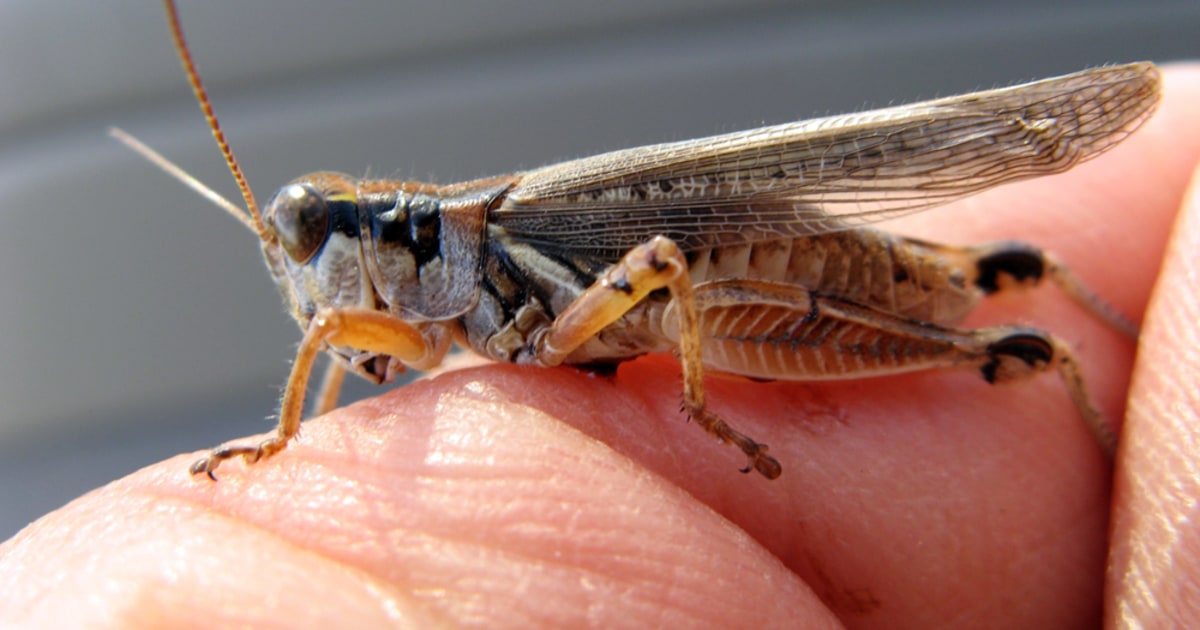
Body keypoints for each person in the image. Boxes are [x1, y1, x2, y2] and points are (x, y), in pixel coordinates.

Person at [2, 64, 1198, 628]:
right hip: (686, 301)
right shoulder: (420, 306)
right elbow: (344, 331)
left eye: (316, 238)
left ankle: (1050, 340)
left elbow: (663, 269)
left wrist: (711, 415)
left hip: (732, 277)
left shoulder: (486, 244)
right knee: (1006, 331)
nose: (318, 286)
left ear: (375, 228)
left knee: (1000, 320)